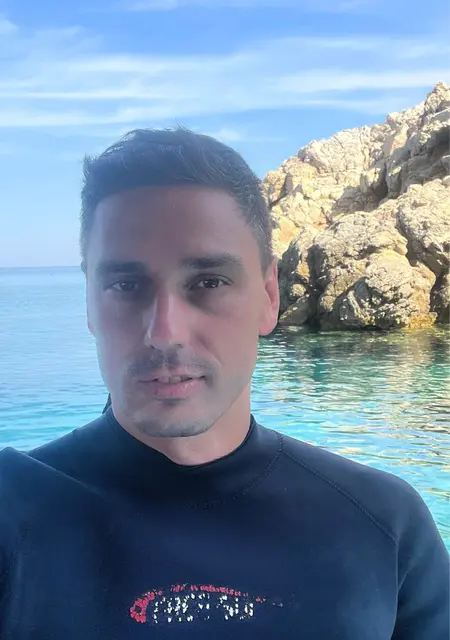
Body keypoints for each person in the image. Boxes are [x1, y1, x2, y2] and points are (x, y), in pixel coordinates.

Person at [0, 128, 448, 640]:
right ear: (89, 302)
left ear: (269, 296)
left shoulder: (387, 527)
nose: (164, 332)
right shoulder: (12, 510)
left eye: (208, 282)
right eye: (126, 285)